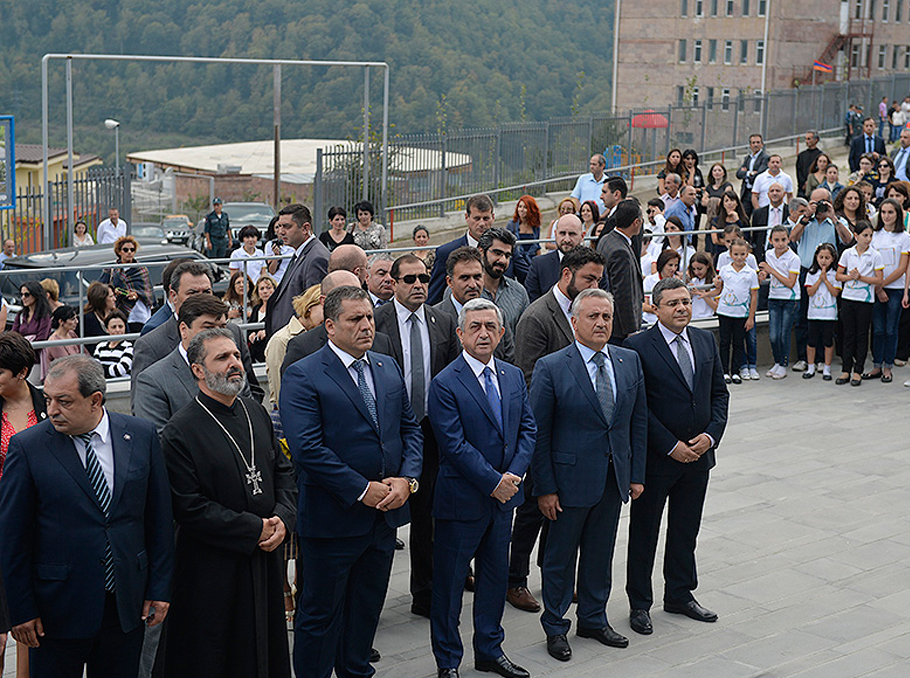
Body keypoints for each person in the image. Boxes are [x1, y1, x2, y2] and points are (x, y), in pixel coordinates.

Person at [280, 285, 423, 678]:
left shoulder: (386, 366)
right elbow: (307, 449)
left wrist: (407, 479)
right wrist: (362, 489)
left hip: (382, 521)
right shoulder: (304, 374)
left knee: (365, 612)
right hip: (332, 522)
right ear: (330, 326)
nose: (367, 326)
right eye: (355, 319)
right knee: (320, 617)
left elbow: (410, 429)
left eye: (370, 317)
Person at [0, 355, 174, 678]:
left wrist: (160, 589)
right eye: (48, 399)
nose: (52, 410)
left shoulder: (141, 436)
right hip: (55, 612)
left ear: (95, 400)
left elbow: (159, 520)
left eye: (64, 401)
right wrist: (20, 610)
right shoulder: (28, 447)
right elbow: (12, 537)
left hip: (125, 607)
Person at [160, 328, 296, 678]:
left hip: (264, 558)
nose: (235, 363)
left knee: (266, 650)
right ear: (197, 370)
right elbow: (189, 506)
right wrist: (254, 528)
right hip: (212, 568)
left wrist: (283, 517)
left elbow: (283, 472)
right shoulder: (180, 430)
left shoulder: (255, 412)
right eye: (222, 358)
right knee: (219, 656)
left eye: (236, 355)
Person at [531, 288, 646, 662]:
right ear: (574, 321)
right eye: (593, 316)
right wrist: (545, 487)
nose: (601, 323)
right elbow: (538, 433)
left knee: (600, 554)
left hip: (612, 479)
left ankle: (594, 619)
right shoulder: (552, 367)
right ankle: (555, 626)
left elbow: (637, 422)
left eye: (606, 317)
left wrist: (635, 474)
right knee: (559, 559)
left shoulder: (628, 361)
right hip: (567, 484)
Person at [428, 298, 536, 678]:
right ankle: (448, 661)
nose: (483, 333)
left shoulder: (512, 375)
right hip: (462, 502)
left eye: (490, 326)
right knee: (450, 585)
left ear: (502, 332)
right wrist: (494, 482)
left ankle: (490, 650)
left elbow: (528, 429)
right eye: (475, 326)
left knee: (494, 579)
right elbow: (453, 444)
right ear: (460, 334)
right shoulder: (445, 383)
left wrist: (514, 476)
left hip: (503, 502)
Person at [624, 277, 729, 636]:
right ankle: (640, 603)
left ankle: (680, 594)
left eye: (685, 301)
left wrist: (710, 436)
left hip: (698, 457)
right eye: (673, 303)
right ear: (655, 308)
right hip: (657, 460)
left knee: (686, 529)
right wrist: (671, 445)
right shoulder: (637, 346)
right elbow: (639, 407)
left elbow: (719, 394)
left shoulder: (704, 339)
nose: (682, 308)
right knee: (645, 533)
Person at [508, 246, 605, 614]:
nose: (595, 286)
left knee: (563, 509)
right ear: (567, 275)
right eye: (589, 279)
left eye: (599, 280)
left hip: (577, 436)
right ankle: (514, 578)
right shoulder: (537, 316)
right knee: (532, 509)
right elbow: (528, 378)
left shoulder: (590, 310)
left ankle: (556, 575)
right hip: (544, 431)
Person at [375, 254, 459, 619]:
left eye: (424, 278)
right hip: (388, 431)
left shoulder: (442, 320)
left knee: (429, 516)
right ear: (393, 283)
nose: (419, 285)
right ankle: (370, 603)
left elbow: (453, 376)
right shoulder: (376, 321)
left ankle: (425, 594)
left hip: (431, 431)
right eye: (410, 279)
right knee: (383, 514)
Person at [131, 262, 263, 402]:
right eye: (192, 293)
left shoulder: (233, 332)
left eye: (207, 292)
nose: (202, 298)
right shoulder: (151, 343)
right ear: (174, 296)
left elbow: (252, 390)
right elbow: (143, 402)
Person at [133, 294, 247, 435]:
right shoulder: (153, 381)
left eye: (223, 327)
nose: (218, 335)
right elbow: (158, 439)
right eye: (208, 328)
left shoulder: (234, 367)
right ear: (183, 330)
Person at [0, 332, 46, 678]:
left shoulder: (49, 404)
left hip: (41, 524)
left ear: (22, 372)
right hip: (2, 523)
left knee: (32, 627)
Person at [280, 271, 396, 376]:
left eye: (358, 292)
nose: (355, 299)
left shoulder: (382, 343)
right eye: (343, 294)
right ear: (324, 301)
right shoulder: (303, 347)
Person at [433, 246, 515, 363]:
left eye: (477, 277)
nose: (472, 285)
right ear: (450, 282)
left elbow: (509, 361)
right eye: (465, 278)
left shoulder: (498, 314)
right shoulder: (435, 319)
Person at [265, 203, 330, 336]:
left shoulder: (316, 258)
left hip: (296, 338)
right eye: (279, 226)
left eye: (287, 226)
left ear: (305, 228)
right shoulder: (301, 253)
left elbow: (313, 309)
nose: (281, 231)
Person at [835, 220, 884, 385]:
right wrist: (851, 277)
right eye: (865, 235)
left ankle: (858, 371)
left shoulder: (875, 255)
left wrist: (861, 278)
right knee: (848, 334)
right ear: (856, 236)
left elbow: (879, 280)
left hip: (865, 300)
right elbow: (838, 276)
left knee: (862, 335)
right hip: (848, 298)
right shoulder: (848, 253)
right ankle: (846, 370)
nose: (868, 239)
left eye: (870, 236)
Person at [866, 199, 909, 382]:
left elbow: (902, 268)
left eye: (890, 212)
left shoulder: (904, 237)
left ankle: (888, 367)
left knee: (891, 330)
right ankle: (877, 365)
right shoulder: (875, 236)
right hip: (876, 289)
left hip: (895, 289)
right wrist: (877, 288)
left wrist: (882, 285)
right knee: (878, 329)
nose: (886, 216)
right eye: (883, 212)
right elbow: (871, 264)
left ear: (897, 214)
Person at [428, 195, 496, 305]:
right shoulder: (446, 252)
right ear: (466, 217)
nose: (482, 224)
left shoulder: (505, 251)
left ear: (493, 217)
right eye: (477, 218)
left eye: (486, 218)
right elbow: (434, 297)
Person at [596, 199, 644, 345]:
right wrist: (631, 330)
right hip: (620, 330)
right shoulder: (621, 252)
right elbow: (623, 294)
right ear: (636, 222)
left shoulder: (607, 239)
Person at [264, 285, 321, 406]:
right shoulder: (281, 340)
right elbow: (280, 388)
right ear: (309, 307)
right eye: (324, 307)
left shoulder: (323, 336)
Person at [713, 238, 758, 384]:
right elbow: (719, 288)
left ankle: (736, 371)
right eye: (736, 254)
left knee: (738, 343)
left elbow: (754, 296)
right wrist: (715, 284)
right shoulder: (725, 269)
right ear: (731, 254)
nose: (739, 257)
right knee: (724, 342)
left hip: (741, 314)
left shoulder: (751, 273)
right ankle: (724, 371)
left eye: (742, 254)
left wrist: (751, 317)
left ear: (747, 254)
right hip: (724, 312)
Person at [759, 226, 801, 379]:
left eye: (783, 239)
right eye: (776, 240)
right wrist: (763, 274)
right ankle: (777, 362)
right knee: (773, 335)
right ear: (770, 241)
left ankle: (783, 365)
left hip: (790, 299)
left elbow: (790, 283)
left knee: (784, 334)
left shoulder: (794, 258)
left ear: (788, 239)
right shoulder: (769, 254)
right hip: (774, 298)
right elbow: (767, 272)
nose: (780, 243)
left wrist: (771, 271)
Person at [475, 228, 529, 334]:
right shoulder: (465, 290)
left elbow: (525, 334)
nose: (503, 260)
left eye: (507, 256)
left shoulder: (519, 292)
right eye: (497, 253)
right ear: (481, 252)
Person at [100, 236, 155, 333]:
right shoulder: (112, 269)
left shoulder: (142, 270)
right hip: (119, 314)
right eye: (125, 250)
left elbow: (148, 293)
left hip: (139, 315)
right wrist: (114, 292)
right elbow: (101, 289)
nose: (129, 252)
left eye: (132, 250)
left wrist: (137, 294)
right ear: (119, 251)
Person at [524, 215, 585, 302]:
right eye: (562, 233)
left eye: (572, 234)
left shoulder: (593, 265)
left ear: (582, 236)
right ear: (555, 234)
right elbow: (532, 301)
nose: (567, 239)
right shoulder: (539, 265)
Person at [803, 243, 841, 380]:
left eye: (827, 258)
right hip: (814, 314)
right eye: (821, 257)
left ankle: (827, 368)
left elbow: (835, 293)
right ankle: (810, 367)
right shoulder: (811, 273)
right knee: (811, 341)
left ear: (832, 259)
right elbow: (810, 292)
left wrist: (826, 280)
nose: (824, 261)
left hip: (829, 314)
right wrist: (820, 279)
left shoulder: (835, 274)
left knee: (828, 341)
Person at [749, 183, 789, 261]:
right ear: (768, 194)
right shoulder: (758, 213)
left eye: (777, 191)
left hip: (785, 253)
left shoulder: (790, 211)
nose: (774, 193)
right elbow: (755, 236)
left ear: (784, 194)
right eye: (772, 191)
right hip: (763, 254)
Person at [643, 250, 681, 326]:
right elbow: (644, 306)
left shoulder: (679, 282)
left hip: (671, 323)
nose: (673, 269)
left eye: (676, 265)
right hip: (650, 321)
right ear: (662, 264)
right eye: (670, 265)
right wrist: (663, 311)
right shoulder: (649, 280)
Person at [42, 305, 81, 379]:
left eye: (76, 318)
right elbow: (67, 364)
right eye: (73, 319)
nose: (76, 322)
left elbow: (85, 352)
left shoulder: (71, 333)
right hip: (62, 378)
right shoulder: (54, 342)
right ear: (61, 321)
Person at [12, 281, 53, 350]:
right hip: (20, 352)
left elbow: (41, 340)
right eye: (21, 294)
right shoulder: (21, 315)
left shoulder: (44, 316)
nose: (23, 298)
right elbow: (13, 335)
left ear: (35, 295)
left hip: (34, 353)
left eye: (27, 295)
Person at [736, 134, 770, 218]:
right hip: (746, 192)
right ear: (750, 145)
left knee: (758, 216)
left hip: (758, 193)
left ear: (762, 144)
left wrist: (746, 173)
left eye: (758, 142)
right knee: (744, 217)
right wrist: (750, 173)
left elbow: (758, 175)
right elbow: (738, 174)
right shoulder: (748, 158)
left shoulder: (765, 158)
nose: (755, 145)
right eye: (753, 143)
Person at [93, 310, 134, 378]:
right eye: (113, 327)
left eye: (120, 326)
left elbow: (120, 370)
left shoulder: (129, 347)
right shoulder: (100, 346)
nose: (117, 330)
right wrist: (110, 369)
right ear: (107, 329)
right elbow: (94, 369)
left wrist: (102, 369)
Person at [247, 274, 278, 362]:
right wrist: (251, 334)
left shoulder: (277, 308)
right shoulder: (256, 309)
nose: (265, 291)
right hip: (255, 352)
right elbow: (249, 328)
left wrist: (266, 332)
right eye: (262, 288)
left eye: (268, 288)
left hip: (270, 350)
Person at [81, 282, 117, 354]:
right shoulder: (87, 320)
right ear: (101, 299)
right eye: (111, 296)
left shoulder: (118, 316)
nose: (115, 299)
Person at [507, 195, 542, 263]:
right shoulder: (512, 224)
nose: (521, 210)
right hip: (517, 261)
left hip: (532, 260)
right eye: (520, 207)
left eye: (525, 207)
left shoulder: (535, 226)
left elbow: (537, 246)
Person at [687, 252, 718, 319]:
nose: (696, 272)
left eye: (699, 268)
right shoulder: (694, 280)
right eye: (694, 269)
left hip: (708, 318)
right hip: (693, 318)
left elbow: (717, 308)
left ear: (707, 265)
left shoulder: (714, 282)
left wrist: (703, 294)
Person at [796, 131, 823, 198]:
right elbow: (799, 171)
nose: (806, 141)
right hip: (802, 189)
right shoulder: (801, 155)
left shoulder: (820, 155)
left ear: (816, 140)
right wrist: (803, 183)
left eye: (809, 139)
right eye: (805, 139)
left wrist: (810, 182)